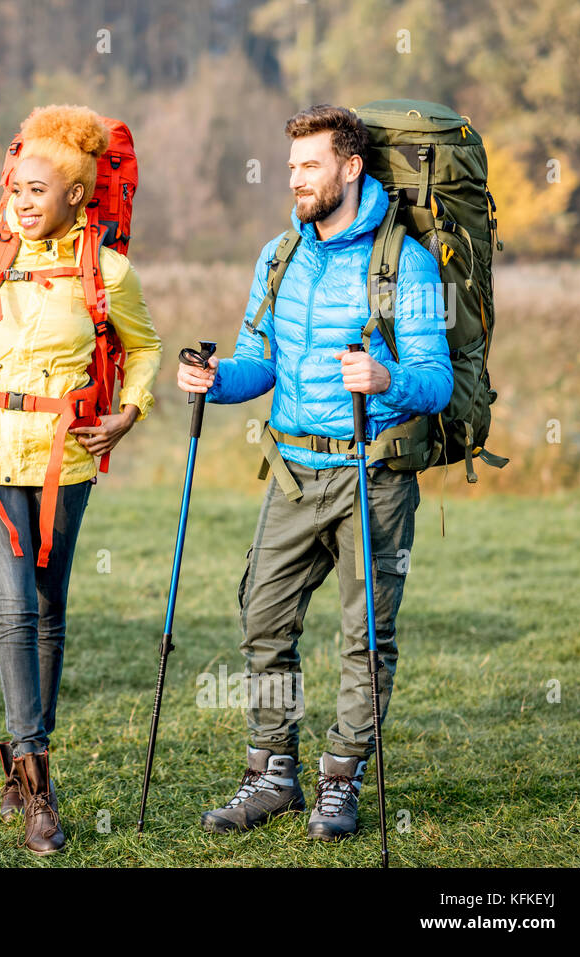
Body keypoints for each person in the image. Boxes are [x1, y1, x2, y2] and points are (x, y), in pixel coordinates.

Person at [180, 104, 451, 841]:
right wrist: (215, 377)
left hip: (376, 476)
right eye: (291, 165)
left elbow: (438, 381)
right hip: (293, 474)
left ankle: (341, 778)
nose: (294, 179)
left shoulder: (406, 264)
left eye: (309, 165)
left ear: (350, 167)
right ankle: (271, 775)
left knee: (366, 636)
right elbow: (258, 360)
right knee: (262, 621)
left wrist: (384, 377)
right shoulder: (279, 257)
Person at [0, 104, 162, 855]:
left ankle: (23, 757)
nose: (22, 201)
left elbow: (146, 346)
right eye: (15, 188)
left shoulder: (109, 268)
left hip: (68, 454)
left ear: (73, 195)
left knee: (49, 605)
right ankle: (38, 787)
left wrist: (128, 413)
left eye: (37, 191)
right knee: (13, 606)